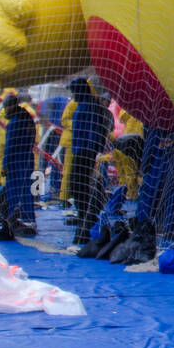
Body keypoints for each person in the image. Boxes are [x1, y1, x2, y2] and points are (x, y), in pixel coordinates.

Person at [0, 94, 37, 239]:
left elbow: (10, 145)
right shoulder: (28, 119)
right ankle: (28, 218)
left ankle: (14, 219)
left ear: (9, 106)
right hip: (27, 158)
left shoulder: (14, 122)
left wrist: (5, 164)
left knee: (13, 191)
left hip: (16, 161)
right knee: (27, 190)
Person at [68, 77, 114, 245]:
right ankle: (84, 218)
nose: (73, 95)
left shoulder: (90, 107)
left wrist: (92, 152)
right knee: (77, 186)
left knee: (80, 186)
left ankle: (87, 219)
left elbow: (94, 131)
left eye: (74, 91)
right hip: (80, 151)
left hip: (85, 153)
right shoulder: (84, 105)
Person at [55, 94, 78, 206]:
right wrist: (78, 126)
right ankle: (64, 198)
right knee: (68, 171)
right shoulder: (74, 102)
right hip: (71, 141)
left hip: (79, 141)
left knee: (74, 171)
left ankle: (69, 197)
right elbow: (64, 120)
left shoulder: (83, 102)